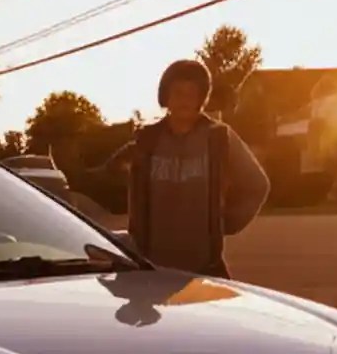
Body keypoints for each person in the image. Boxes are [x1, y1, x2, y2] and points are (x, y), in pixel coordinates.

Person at [104, 59, 270, 278]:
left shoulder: (218, 138)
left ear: (202, 98)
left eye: (192, 94)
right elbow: (106, 176)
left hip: (204, 267)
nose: (185, 100)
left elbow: (257, 184)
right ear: (166, 97)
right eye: (178, 93)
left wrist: (226, 222)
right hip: (150, 265)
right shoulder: (147, 140)